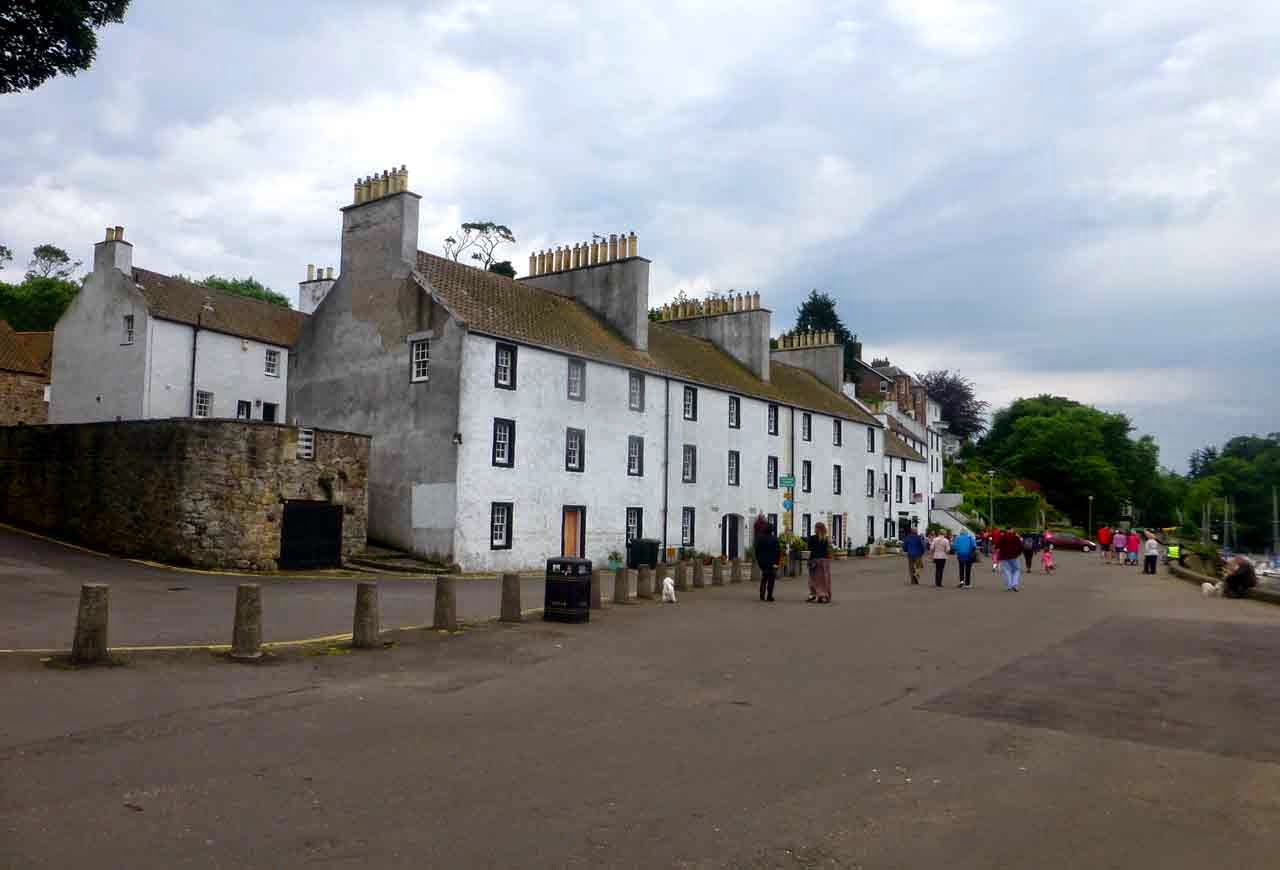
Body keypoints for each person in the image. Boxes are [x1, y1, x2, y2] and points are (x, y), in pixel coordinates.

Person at [753, 515, 780, 602]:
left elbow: (756, 549)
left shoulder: (759, 538)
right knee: (771, 579)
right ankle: (769, 596)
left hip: (762, 561)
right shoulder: (774, 539)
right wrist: (777, 562)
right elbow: (777, 551)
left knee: (764, 578)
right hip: (772, 562)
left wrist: (758, 559)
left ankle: (762, 594)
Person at [806, 522, 833, 603]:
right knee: (825, 579)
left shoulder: (812, 538)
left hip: (815, 560)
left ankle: (814, 594)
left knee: (813, 579)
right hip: (825, 561)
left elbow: (809, 548)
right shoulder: (826, 539)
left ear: (817, 529)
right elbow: (827, 550)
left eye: (815, 528)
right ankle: (825, 595)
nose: (814, 529)